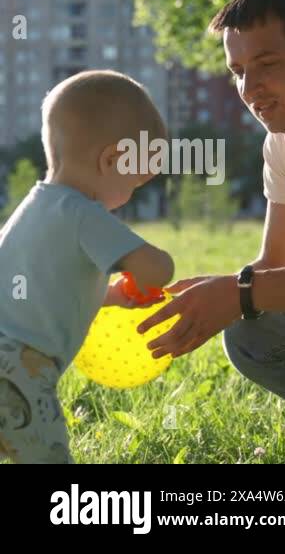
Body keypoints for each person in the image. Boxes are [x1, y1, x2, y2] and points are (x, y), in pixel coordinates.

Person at [139, 0, 285, 429]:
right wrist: (216, 293)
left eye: (267, 64)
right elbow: (278, 263)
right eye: (238, 72)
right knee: (255, 329)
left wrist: (240, 292)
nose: (249, 89)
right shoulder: (282, 144)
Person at [0, 69, 174, 463]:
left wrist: (113, 295)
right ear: (111, 159)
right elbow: (156, 269)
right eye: (133, 185)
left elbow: (52, 285)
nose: (128, 198)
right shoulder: (85, 214)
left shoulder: (33, 207)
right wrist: (157, 268)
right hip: (19, 372)